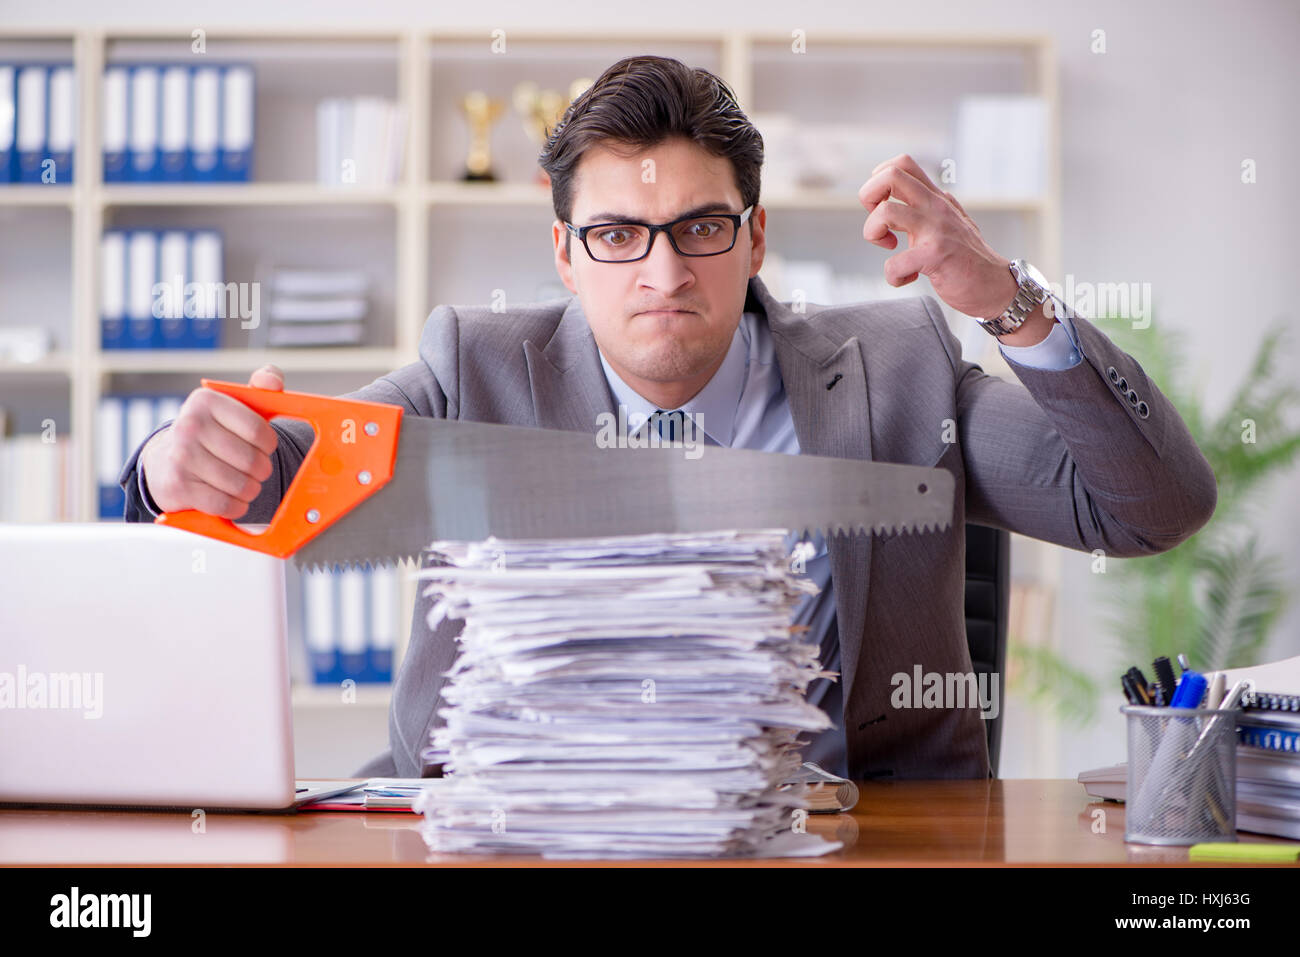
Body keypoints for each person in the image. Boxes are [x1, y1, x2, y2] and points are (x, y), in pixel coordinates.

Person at [119, 55, 1216, 781]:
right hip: (513, 846)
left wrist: (1005, 304)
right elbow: (270, 485)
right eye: (616, 235)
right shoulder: (473, 367)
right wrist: (176, 467)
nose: (660, 271)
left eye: (698, 228)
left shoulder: (897, 367)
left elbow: (1152, 509)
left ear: (754, 238)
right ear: (562, 253)